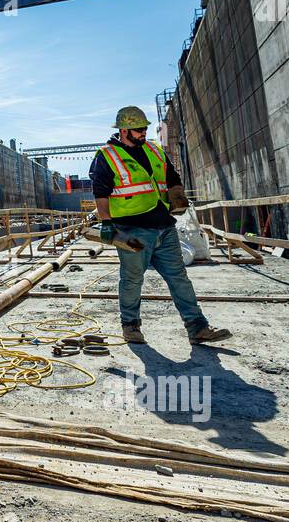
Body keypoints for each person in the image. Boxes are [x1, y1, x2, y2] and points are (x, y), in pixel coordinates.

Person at [88, 106, 232, 348]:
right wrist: (106, 223)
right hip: (132, 230)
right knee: (132, 280)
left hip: (163, 226)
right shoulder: (107, 156)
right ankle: (131, 326)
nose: (143, 132)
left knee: (179, 278)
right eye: (138, 130)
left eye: (144, 128)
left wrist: (176, 193)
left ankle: (197, 327)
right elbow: (100, 193)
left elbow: (171, 175)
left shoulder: (153, 148)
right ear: (124, 131)